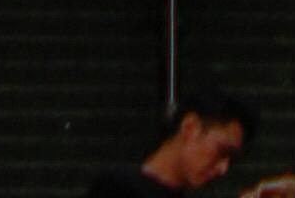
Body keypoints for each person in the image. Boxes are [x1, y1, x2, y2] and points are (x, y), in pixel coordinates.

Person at [84, 84, 256, 198]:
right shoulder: (116, 187)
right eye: (221, 151)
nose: (222, 168)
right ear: (191, 128)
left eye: (230, 160)